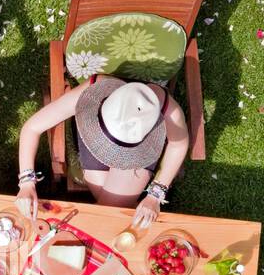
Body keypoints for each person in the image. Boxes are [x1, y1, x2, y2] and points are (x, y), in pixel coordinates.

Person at [14, 76, 189, 229]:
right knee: (109, 209)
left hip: (135, 152)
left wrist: (155, 195)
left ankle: (80, 237)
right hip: (97, 135)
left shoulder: (168, 109)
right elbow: (32, 127)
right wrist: (26, 182)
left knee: (108, 208)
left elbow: (179, 144)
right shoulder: (91, 91)